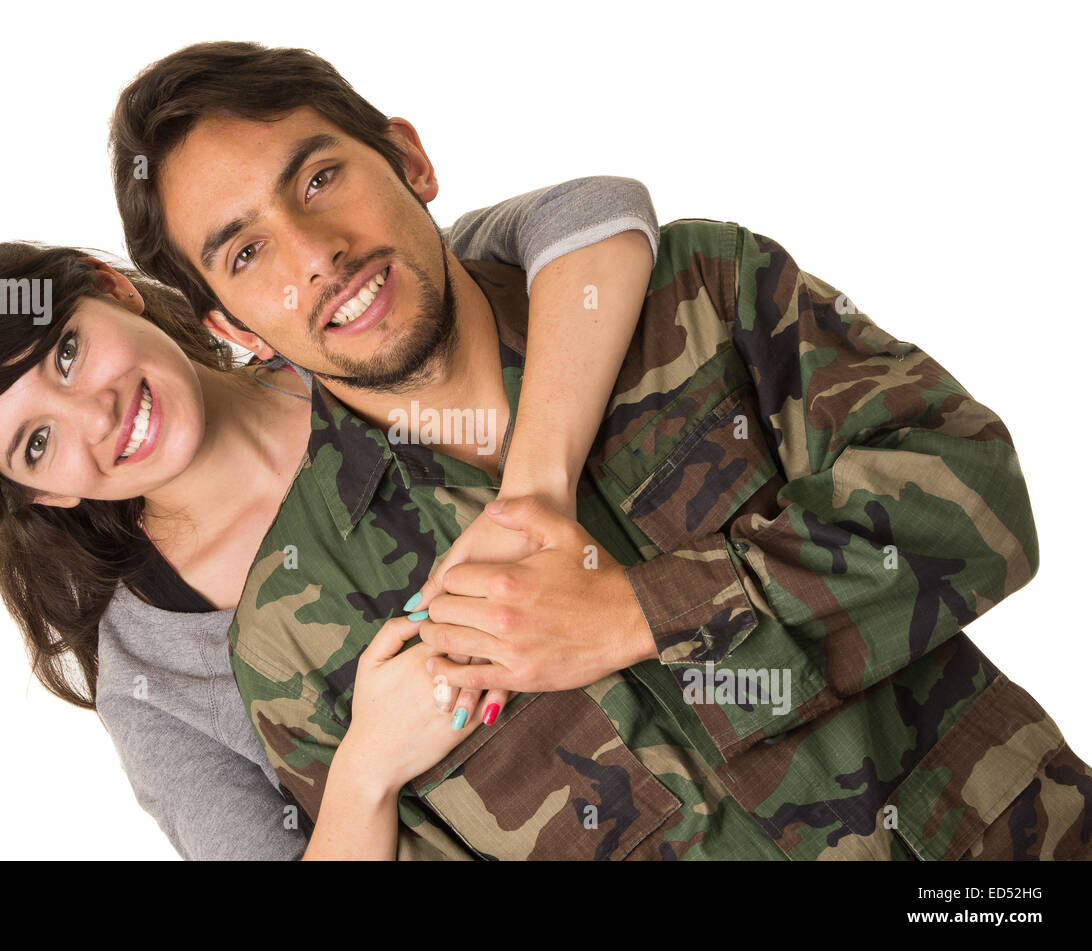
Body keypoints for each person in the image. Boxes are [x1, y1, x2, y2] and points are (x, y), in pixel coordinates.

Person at [109, 39, 1092, 860]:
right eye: (247, 253)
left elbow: (978, 496)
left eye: (320, 177)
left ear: (409, 159)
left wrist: (636, 614)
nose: (313, 252)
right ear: (227, 327)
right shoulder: (295, 631)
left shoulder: (696, 292)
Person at [0, 177, 661, 859]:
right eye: (37, 443)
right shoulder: (155, 675)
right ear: (41, 494)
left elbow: (594, 211)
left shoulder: (348, 333)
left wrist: (531, 492)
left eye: (66, 355)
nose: (96, 414)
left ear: (109, 287)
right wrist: (365, 768)